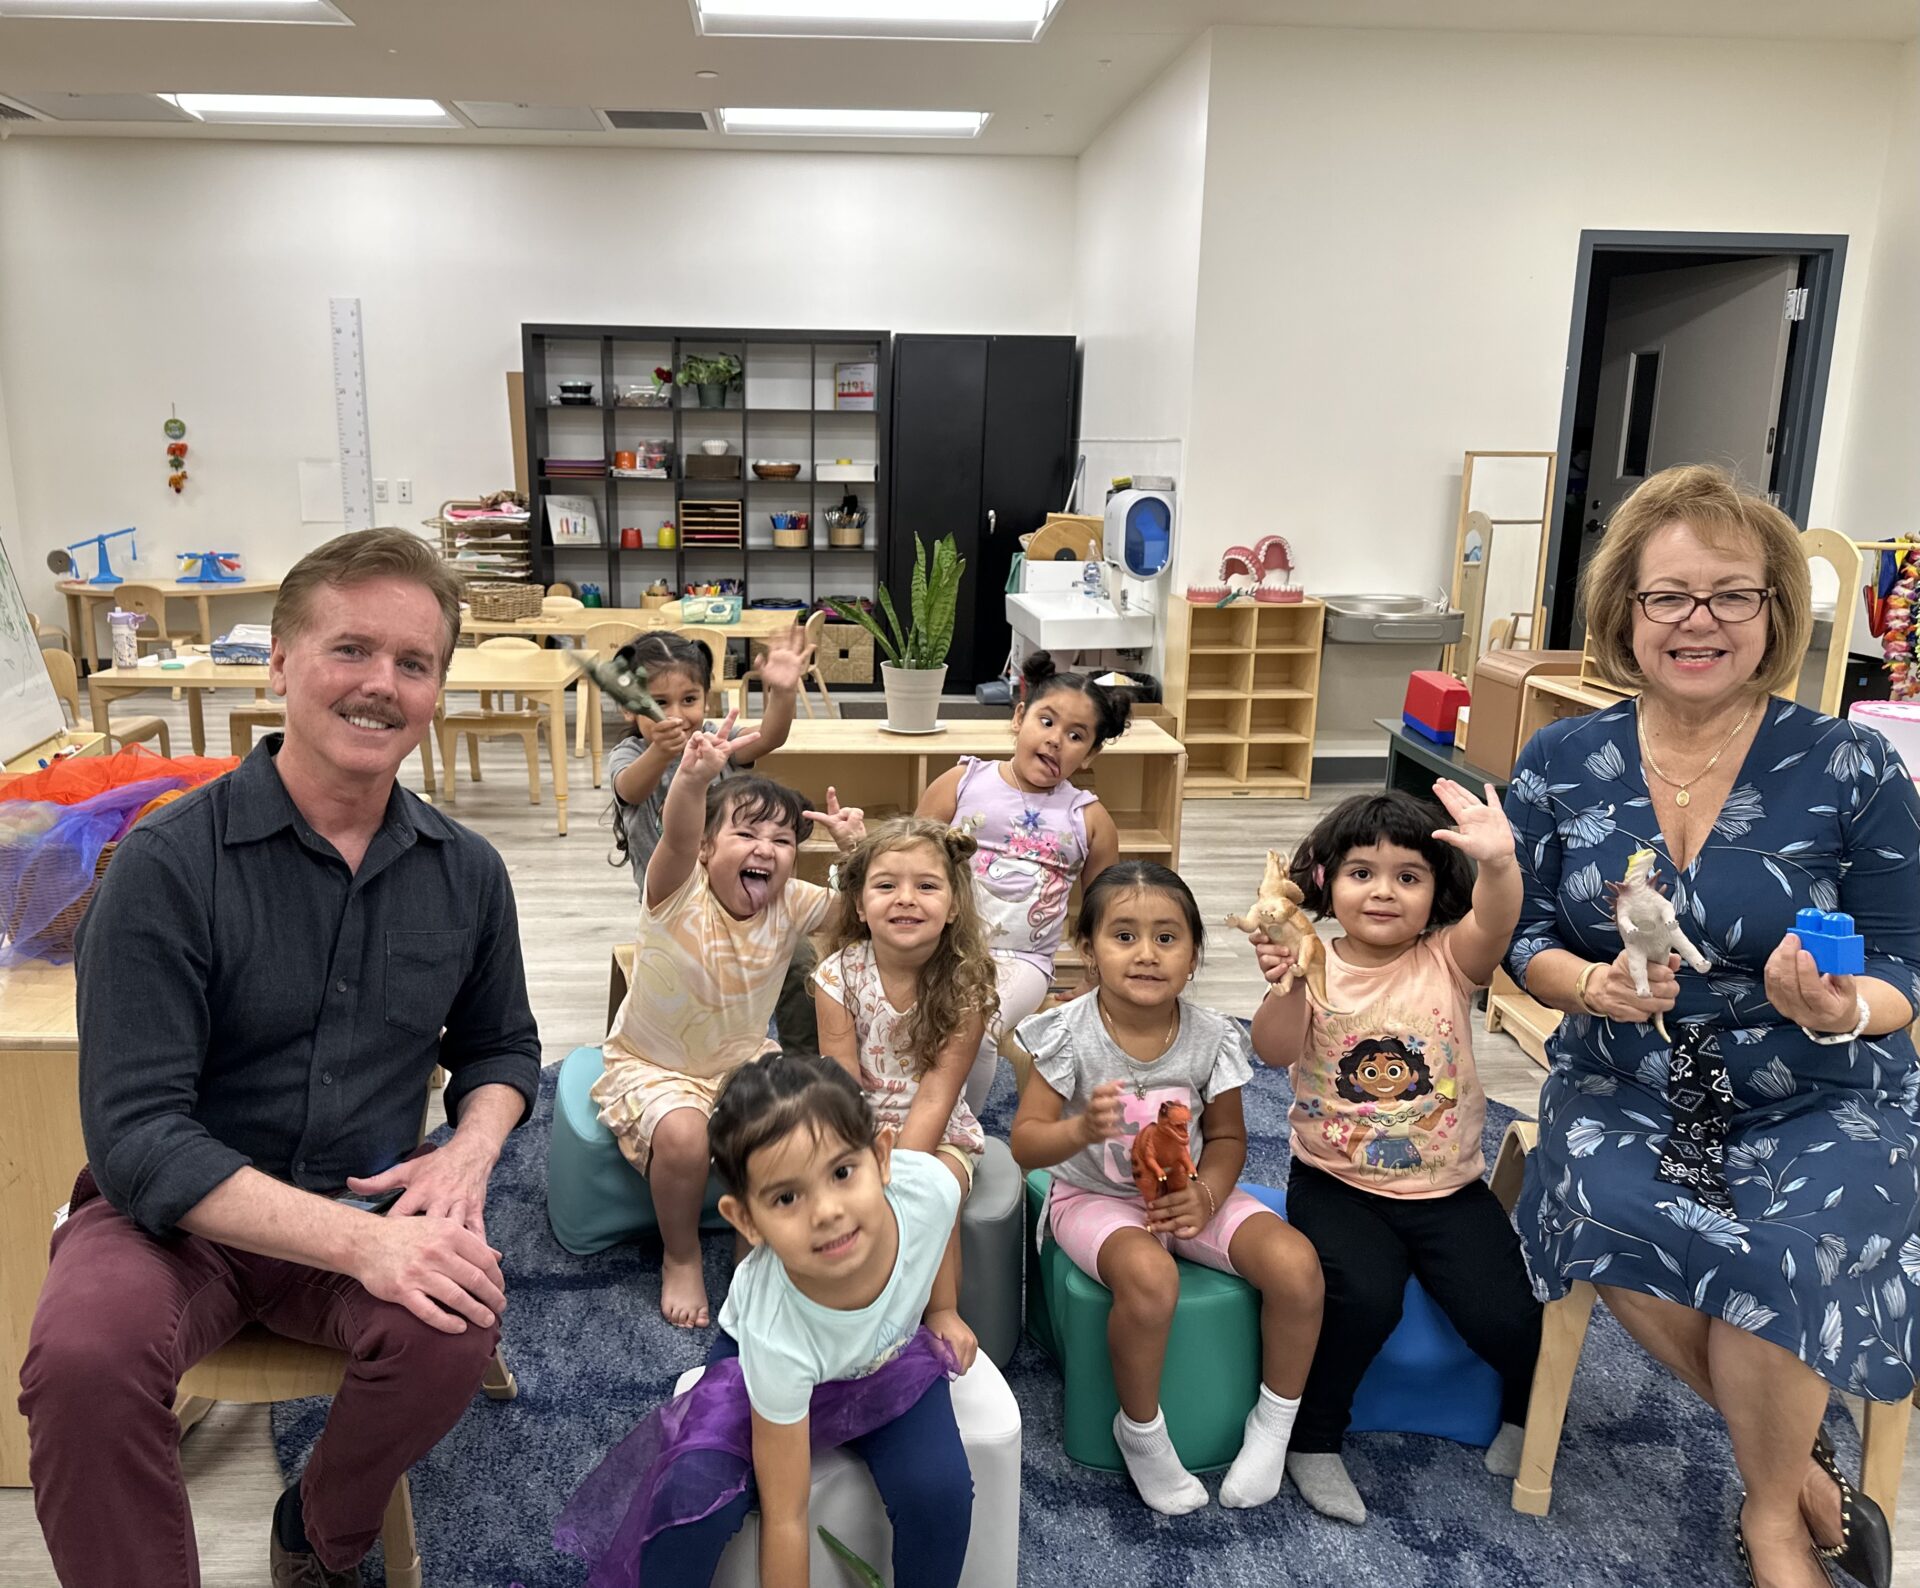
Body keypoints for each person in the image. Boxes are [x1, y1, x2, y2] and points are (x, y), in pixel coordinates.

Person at [18, 528, 541, 1588]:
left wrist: (466, 1151)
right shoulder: (165, 867)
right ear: (280, 663)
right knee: (81, 1360)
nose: (381, 686)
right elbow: (138, 1138)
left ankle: (319, 1531)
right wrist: (364, 1251)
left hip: (359, 1195)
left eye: (414, 663)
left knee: (454, 1320)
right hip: (173, 1220)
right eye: (351, 649)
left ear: (437, 685)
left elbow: (503, 1047)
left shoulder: (468, 872)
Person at [1503, 465, 1918, 1588]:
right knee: (1594, 1198)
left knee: (1788, 1253)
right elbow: (1520, 932)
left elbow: (1905, 959)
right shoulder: (1559, 762)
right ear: (1624, 614)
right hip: (1629, 1071)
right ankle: (1808, 1485)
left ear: (1775, 612)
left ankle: (1773, 1521)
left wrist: (1848, 1009)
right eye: (1668, 596)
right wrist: (1586, 988)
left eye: (1730, 595)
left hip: (1819, 1079)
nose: (1698, 622)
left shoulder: (1851, 765)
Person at [555, 1051, 976, 1588]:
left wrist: (942, 1309)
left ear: (883, 1158)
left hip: (887, 1359)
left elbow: (935, 1226)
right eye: (786, 1197)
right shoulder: (774, 1328)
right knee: (691, 1495)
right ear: (746, 1220)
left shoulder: (930, 1187)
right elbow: (786, 1514)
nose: (826, 1211)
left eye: (843, 1172)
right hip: (764, 1367)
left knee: (939, 1492)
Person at [1248, 786, 1543, 1523]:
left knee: (1509, 1312)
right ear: (1326, 883)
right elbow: (1271, 1049)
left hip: (1449, 1189)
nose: (1384, 891)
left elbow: (1499, 918)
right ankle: (1314, 1440)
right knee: (1358, 1303)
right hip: (1334, 1182)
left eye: (1408, 876)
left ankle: (1525, 1413)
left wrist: (1500, 863)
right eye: (1361, 873)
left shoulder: (1450, 958)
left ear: (1437, 892)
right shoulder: (1314, 965)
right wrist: (1286, 983)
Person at [1010, 862, 1324, 1514]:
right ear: (1088, 950)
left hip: (1190, 1191)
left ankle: (1272, 1425)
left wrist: (1206, 1196)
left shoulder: (1212, 1036)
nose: (1146, 954)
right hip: (1094, 1196)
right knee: (1151, 1280)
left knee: (1298, 1267)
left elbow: (1231, 1140)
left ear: (1194, 957)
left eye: (1167, 938)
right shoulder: (1067, 1034)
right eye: (1123, 936)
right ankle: (1142, 1431)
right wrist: (1077, 1131)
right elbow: (1025, 1145)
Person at [593, 715, 864, 1329]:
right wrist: (691, 780)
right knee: (686, 1137)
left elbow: (857, 911)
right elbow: (679, 835)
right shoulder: (675, 888)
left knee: (797, 1125)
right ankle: (682, 1255)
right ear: (710, 850)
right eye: (746, 833)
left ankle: (756, 1250)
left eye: (784, 839)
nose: (766, 848)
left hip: (743, 1059)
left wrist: (854, 852)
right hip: (651, 1063)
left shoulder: (792, 903)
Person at [814, 816, 1002, 1364]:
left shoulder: (966, 984)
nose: (906, 899)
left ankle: (941, 1307)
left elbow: (939, 1094)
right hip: (854, 1122)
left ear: (953, 905)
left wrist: (896, 1170)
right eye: (886, 885)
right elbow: (841, 1080)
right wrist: (859, 1158)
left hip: (938, 1131)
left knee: (931, 1187)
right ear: (858, 904)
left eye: (926, 885)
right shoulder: (836, 976)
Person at [918, 650, 1125, 1114]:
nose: (1056, 741)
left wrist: (1098, 981)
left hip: (1022, 960)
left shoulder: (1089, 820)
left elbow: (1105, 914)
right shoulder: (962, 780)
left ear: (1090, 754)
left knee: (978, 1024)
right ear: (1018, 718)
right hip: (939, 940)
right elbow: (910, 860)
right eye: (1047, 722)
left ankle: (956, 1127)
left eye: (1075, 736)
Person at [605, 627, 815, 1051]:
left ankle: (803, 1065)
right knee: (699, 977)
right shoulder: (630, 755)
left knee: (802, 958)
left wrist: (783, 692)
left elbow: (769, 736)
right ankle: (684, 1052)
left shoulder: (715, 740)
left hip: (743, 898)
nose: (676, 715)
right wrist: (663, 753)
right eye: (658, 703)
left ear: (706, 697)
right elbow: (629, 788)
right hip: (677, 911)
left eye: (689, 699)